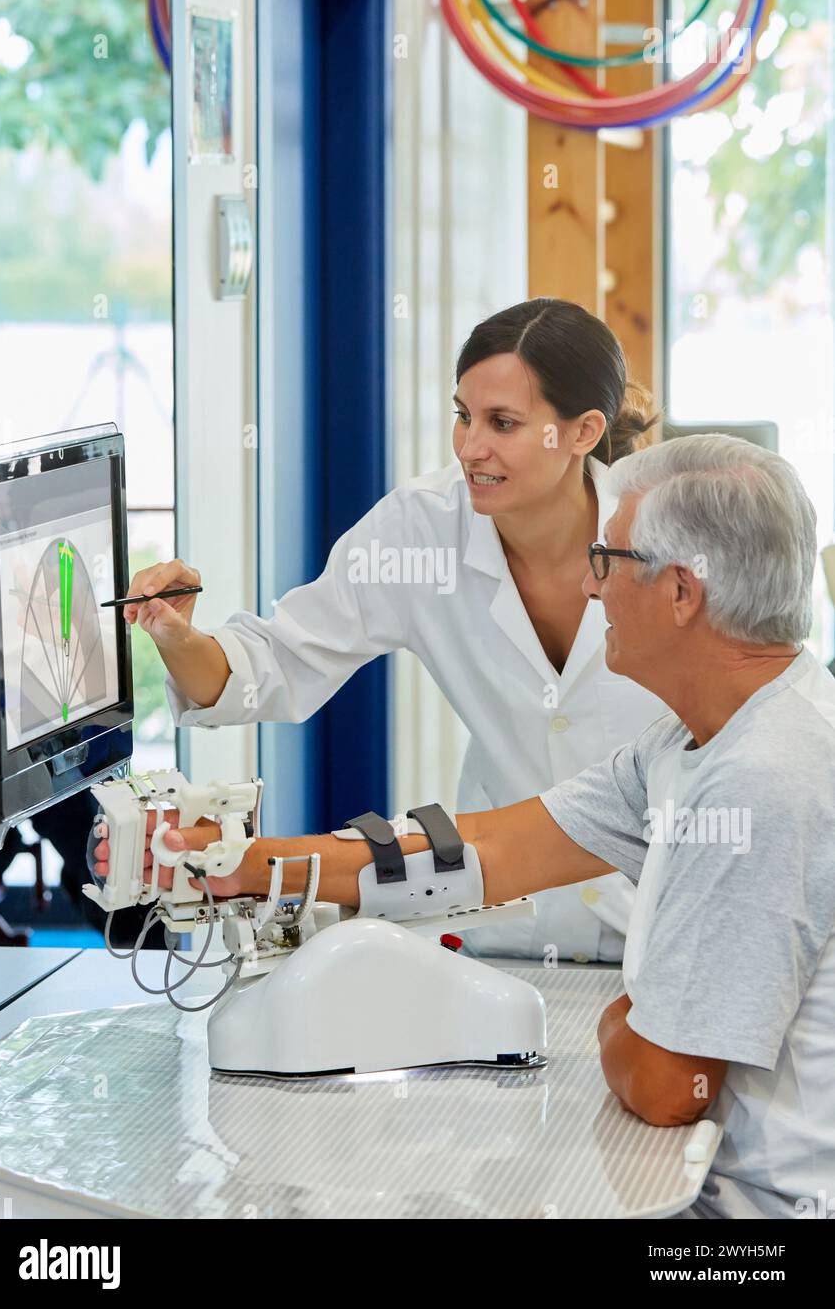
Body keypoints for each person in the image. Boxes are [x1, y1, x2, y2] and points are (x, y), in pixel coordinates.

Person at [95, 434, 835, 1218]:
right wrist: (247, 862)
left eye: (608, 562)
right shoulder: (702, 735)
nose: (590, 588)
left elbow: (663, 1088)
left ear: (682, 593)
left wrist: (633, 1012)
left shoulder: (763, 780)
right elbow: (486, 848)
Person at [124, 297, 667, 962]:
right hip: (506, 930)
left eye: (503, 423)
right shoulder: (420, 528)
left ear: (582, 432)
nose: (472, 447)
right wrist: (177, 636)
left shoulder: (663, 538)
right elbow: (276, 667)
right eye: (463, 416)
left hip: (664, 928)